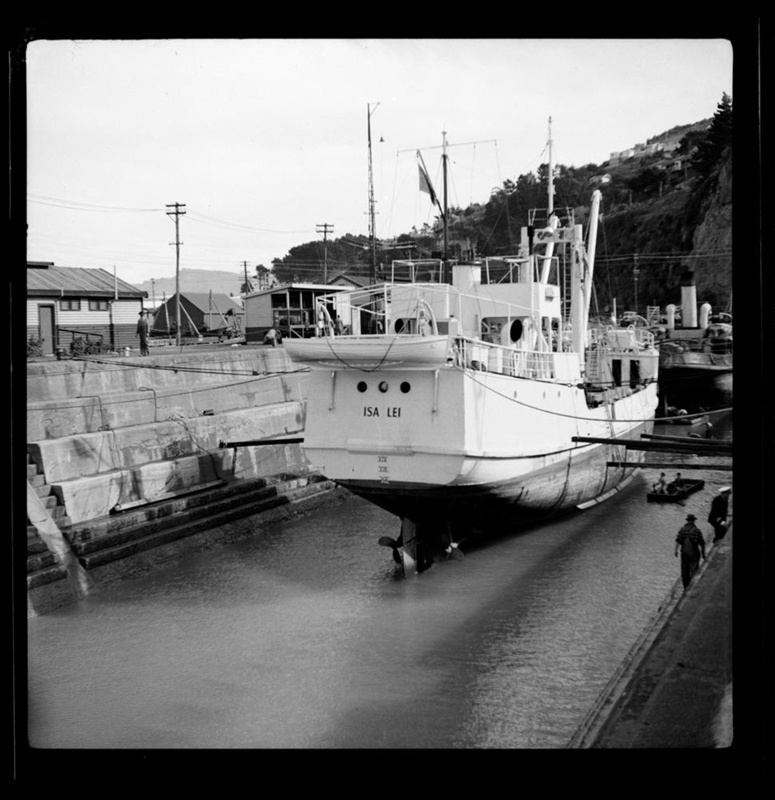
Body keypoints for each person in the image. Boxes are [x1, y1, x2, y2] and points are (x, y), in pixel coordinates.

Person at [675, 514, 706, 589]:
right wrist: (703, 554)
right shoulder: (697, 531)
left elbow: (678, 541)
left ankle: (686, 587)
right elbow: (702, 543)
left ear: (687, 521)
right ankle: (693, 587)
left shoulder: (682, 530)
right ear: (694, 521)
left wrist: (675, 551)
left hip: (684, 553)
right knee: (694, 569)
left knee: (685, 571)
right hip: (694, 553)